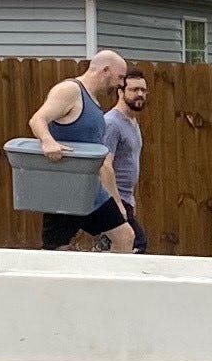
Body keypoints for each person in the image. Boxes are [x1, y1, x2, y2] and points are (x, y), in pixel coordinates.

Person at [25, 50, 133, 251]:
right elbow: (37, 119)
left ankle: (106, 282)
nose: (120, 84)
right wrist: (48, 141)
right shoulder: (70, 90)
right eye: (119, 77)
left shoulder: (93, 100)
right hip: (64, 190)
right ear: (105, 70)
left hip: (91, 191)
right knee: (57, 251)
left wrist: (117, 201)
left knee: (125, 237)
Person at [106, 70, 151, 251]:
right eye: (134, 89)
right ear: (120, 92)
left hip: (126, 198)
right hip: (112, 199)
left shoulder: (132, 122)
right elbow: (105, 165)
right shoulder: (111, 123)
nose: (140, 94)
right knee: (137, 243)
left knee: (117, 247)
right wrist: (117, 202)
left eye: (143, 90)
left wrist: (130, 201)